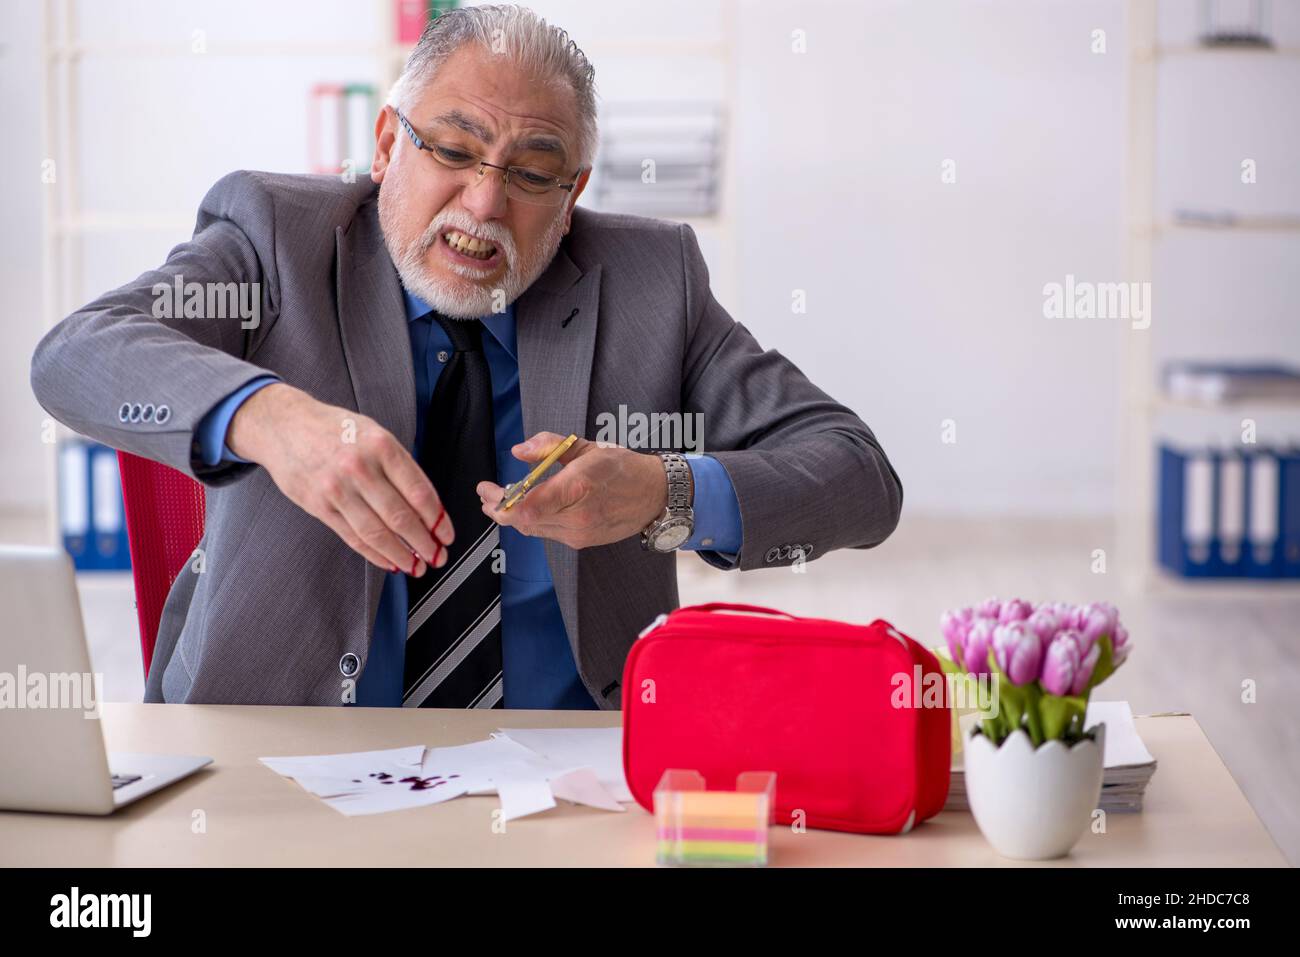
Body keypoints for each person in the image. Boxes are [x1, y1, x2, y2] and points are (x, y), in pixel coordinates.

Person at [30, 4, 902, 710]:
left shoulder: (649, 281)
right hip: (279, 750)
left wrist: (664, 492)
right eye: (452, 150)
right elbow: (77, 351)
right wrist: (271, 419)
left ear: (574, 197)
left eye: (532, 173)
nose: (484, 201)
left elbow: (860, 476)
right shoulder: (273, 235)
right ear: (384, 145)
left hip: (568, 774)